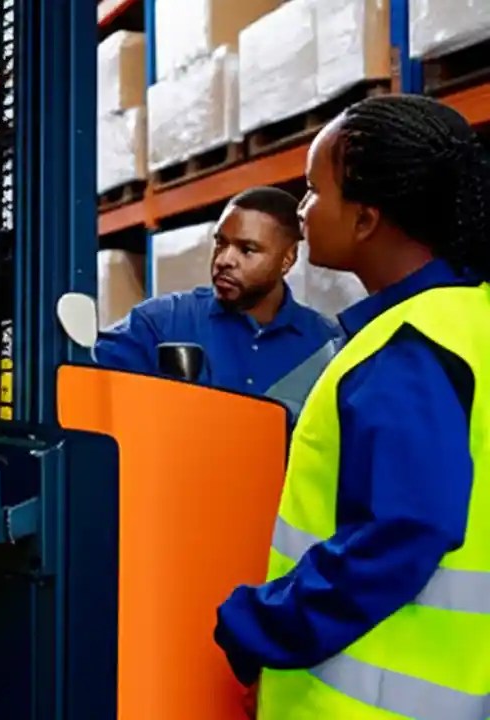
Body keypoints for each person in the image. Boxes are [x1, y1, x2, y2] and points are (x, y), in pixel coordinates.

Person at [214, 94, 490, 719]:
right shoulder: (469, 318)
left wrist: (262, 624)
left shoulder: (411, 349)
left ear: (367, 220)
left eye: (314, 191)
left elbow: (407, 529)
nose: (303, 210)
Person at [94, 187, 341, 394]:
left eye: (247, 250)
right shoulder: (161, 323)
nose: (224, 260)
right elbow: (85, 370)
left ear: (287, 260)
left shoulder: (325, 346)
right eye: (221, 243)